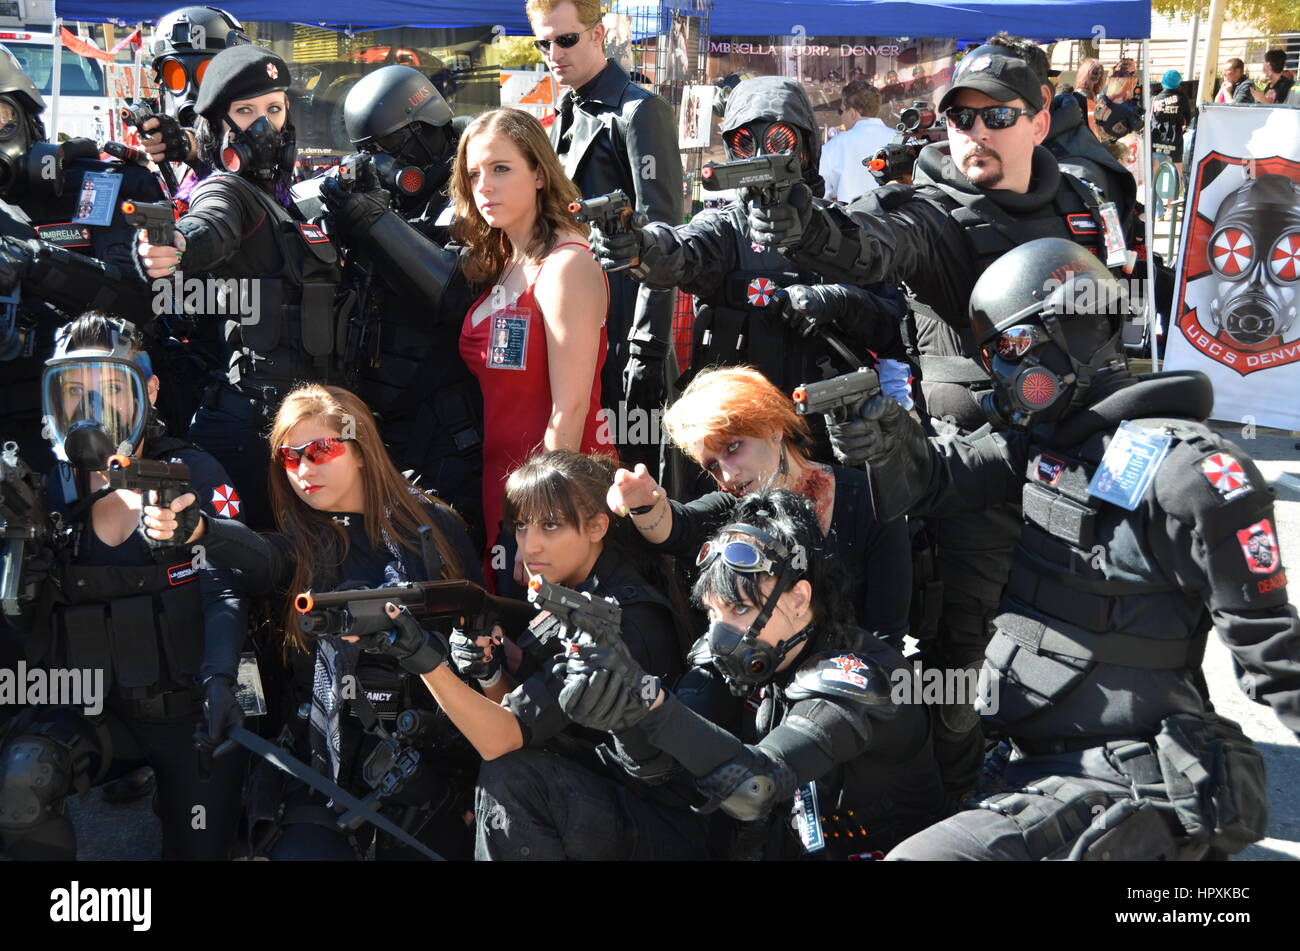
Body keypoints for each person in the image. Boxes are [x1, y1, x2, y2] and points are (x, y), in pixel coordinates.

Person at [741, 45, 1145, 802]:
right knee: (965, 671)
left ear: (1041, 116)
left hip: (1082, 469)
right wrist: (803, 224)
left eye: (996, 116)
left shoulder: (1086, 201)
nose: (974, 133)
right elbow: (868, 243)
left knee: (1092, 643)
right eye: (960, 116)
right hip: (974, 477)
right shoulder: (932, 207)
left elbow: (1119, 327)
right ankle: (968, 810)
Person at [827, 237, 1300, 860]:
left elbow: (1277, 657)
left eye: (1013, 349)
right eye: (992, 355)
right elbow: (940, 476)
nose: (998, 373)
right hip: (1021, 748)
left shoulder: (1191, 473)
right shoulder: (1050, 445)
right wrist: (888, 439)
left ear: (1076, 327)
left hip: (1125, 778)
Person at [143, 383, 483, 860]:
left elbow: (482, 648)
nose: (304, 470)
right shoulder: (302, 541)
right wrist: (202, 530)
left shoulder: (435, 527)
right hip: (325, 772)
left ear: (361, 450)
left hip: (433, 761)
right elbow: (263, 557)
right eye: (289, 457)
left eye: (321, 449)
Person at [555, 489, 950, 859]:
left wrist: (653, 705)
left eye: (739, 609)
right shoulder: (738, 654)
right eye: (713, 612)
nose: (721, 632)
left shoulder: (857, 679)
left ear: (799, 599)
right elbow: (661, 766)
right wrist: (626, 714)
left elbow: (754, 787)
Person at [0, 314, 246, 860]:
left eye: (111, 387)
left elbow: (224, 591)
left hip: (189, 716)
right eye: (75, 391)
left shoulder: (191, 473)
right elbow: (23, 632)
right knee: (22, 779)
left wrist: (222, 680)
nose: (92, 409)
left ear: (149, 389)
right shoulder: (37, 489)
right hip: (93, 715)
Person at [386, 449, 699, 860]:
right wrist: (490, 668)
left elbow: (501, 742)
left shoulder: (616, 616)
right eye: (521, 527)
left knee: (510, 779)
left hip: (661, 820)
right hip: (604, 795)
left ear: (597, 526)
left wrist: (422, 658)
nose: (529, 545)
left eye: (550, 526)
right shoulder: (572, 589)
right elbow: (516, 716)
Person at [585, 76, 914, 431]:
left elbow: (895, 328)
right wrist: (639, 247)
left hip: (828, 429)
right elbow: (681, 251)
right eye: (745, 144)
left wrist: (838, 302)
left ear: (805, 147)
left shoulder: (842, 231)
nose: (761, 156)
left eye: (779, 140)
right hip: (737, 433)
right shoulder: (725, 228)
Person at [134, 43, 351, 530]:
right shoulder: (227, 189)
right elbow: (209, 225)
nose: (263, 124)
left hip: (301, 423)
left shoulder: (282, 197)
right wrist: (175, 247)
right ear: (220, 125)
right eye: (246, 111)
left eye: (273, 109)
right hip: (251, 426)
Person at [307, 66, 484, 545]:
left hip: (448, 421)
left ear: (424, 129)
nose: (380, 163)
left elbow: (456, 295)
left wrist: (372, 219)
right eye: (370, 152)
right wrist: (345, 219)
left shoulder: (474, 187)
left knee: (448, 547)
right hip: (384, 415)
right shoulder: (388, 199)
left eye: (387, 148)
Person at [609, 366, 912, 643]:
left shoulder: (867, 499)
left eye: (733, 447)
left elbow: (887, 635)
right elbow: (679, 527)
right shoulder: (735, 508)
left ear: (773, 428)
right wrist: (643, 503)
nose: (727, 474)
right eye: (712, 466)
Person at [452, 107, 609, 590]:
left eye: (501, 169)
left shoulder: (565, 265)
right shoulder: (506, 260)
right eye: (474, 174)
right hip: (506, 491)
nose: (485, 186)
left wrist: (539, 526)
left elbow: (572, 406)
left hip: (559, 499)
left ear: (540, 174)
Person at [529, 0, 683, 479]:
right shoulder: (566, 109)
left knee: (633, 477)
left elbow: (664, 234)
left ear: (598, 35)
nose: (554, 52)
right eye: (543, 42)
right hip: (576, 322)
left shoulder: (639, 111)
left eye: (566, 39)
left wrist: (646, 347)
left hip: (625, 325)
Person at [0, 44, 165, 469]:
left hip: (92, 426)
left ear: (25, 115)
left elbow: (142, 303)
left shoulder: (98, 183)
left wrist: (31, 261)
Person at [987, 34, 1137, 235]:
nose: (979, 127)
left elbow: (1109, 253)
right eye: (963, 113)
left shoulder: (1080, 174)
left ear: (1043, 98)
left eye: (998, 109)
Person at [820, 80, 895, 203]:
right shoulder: (903, 140)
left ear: (853, 113)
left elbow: (823, 193)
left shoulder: (833, 147)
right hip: (896, 219)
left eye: (842, 111)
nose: (841, 116)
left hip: (849, 219)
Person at [1151, 71, 1192, 220]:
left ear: (1162, 83)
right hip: (1174, 140)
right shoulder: (1182, 98)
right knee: (1175, 174)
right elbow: (1188, 117)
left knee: (1156, 174)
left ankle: (1158, 211)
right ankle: (1171, 210)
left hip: (1156, 140)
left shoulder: (1154, 98)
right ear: (1179, 84)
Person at [1071, 57, 1107, 139]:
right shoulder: (1077, 96)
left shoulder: (1096, 96)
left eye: (1100, 73)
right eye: (1095, 73)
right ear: (1086, 73)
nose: (1098, 76)